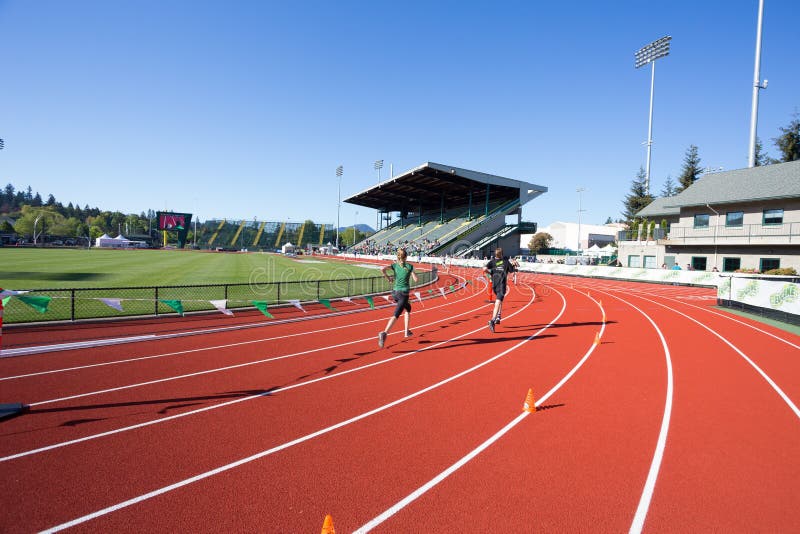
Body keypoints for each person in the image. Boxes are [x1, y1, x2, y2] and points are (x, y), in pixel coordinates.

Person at [378, 248, 419, 348]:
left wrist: (388, 278)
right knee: (396, 315)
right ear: (406, 257)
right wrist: (412, 272)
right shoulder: (409, 266)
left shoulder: (395, 265)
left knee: (408, 308)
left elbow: (382, 269)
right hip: (403, 294)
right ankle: (384, 333)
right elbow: (416, 280)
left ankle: (406, 332)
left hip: (395, 293)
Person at [484, 247, 516, 333]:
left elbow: (484, 269)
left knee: (499, 300)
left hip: (494, 285)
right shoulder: (506, 262)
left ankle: (498, 316)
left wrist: (490, 273)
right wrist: (514, 265)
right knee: (498, 302)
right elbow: (513, 271)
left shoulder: (493, 262)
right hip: (501, 286)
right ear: (502, 254)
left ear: (495, 254)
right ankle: (492, 320)